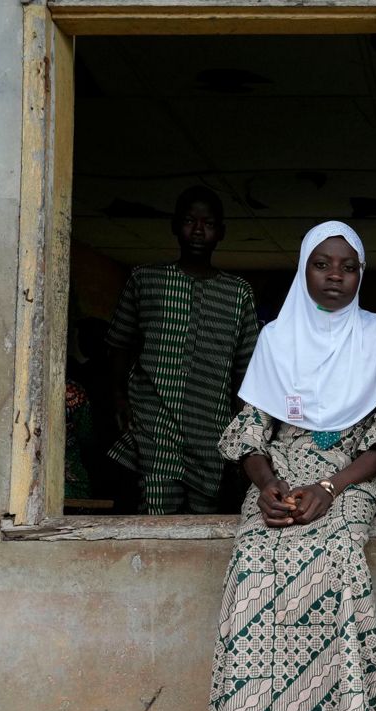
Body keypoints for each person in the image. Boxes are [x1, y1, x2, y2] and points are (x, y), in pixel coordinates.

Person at [177, 222, 376, 711]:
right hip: (282, 479)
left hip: (349, 481)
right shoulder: (277, 338)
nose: (334, 277)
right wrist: (267, 488)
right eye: (321, 265)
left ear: (362, 276)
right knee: (252, 565)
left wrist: (330, 489)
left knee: (339, 561)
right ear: (303, 271)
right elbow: (253, 431)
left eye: (348, 267)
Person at [105, 186, 259, 514]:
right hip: (154, 420)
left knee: (205, 516)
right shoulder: (145, 280)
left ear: (221, 232)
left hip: (212, 427)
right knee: (155, 507)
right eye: (189, 221)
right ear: (175, 226)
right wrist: (119, 397)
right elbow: (118, 342)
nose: (198, 230)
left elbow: (247, 368)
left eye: (208, 223)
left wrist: (246, 428)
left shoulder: (238, 293)